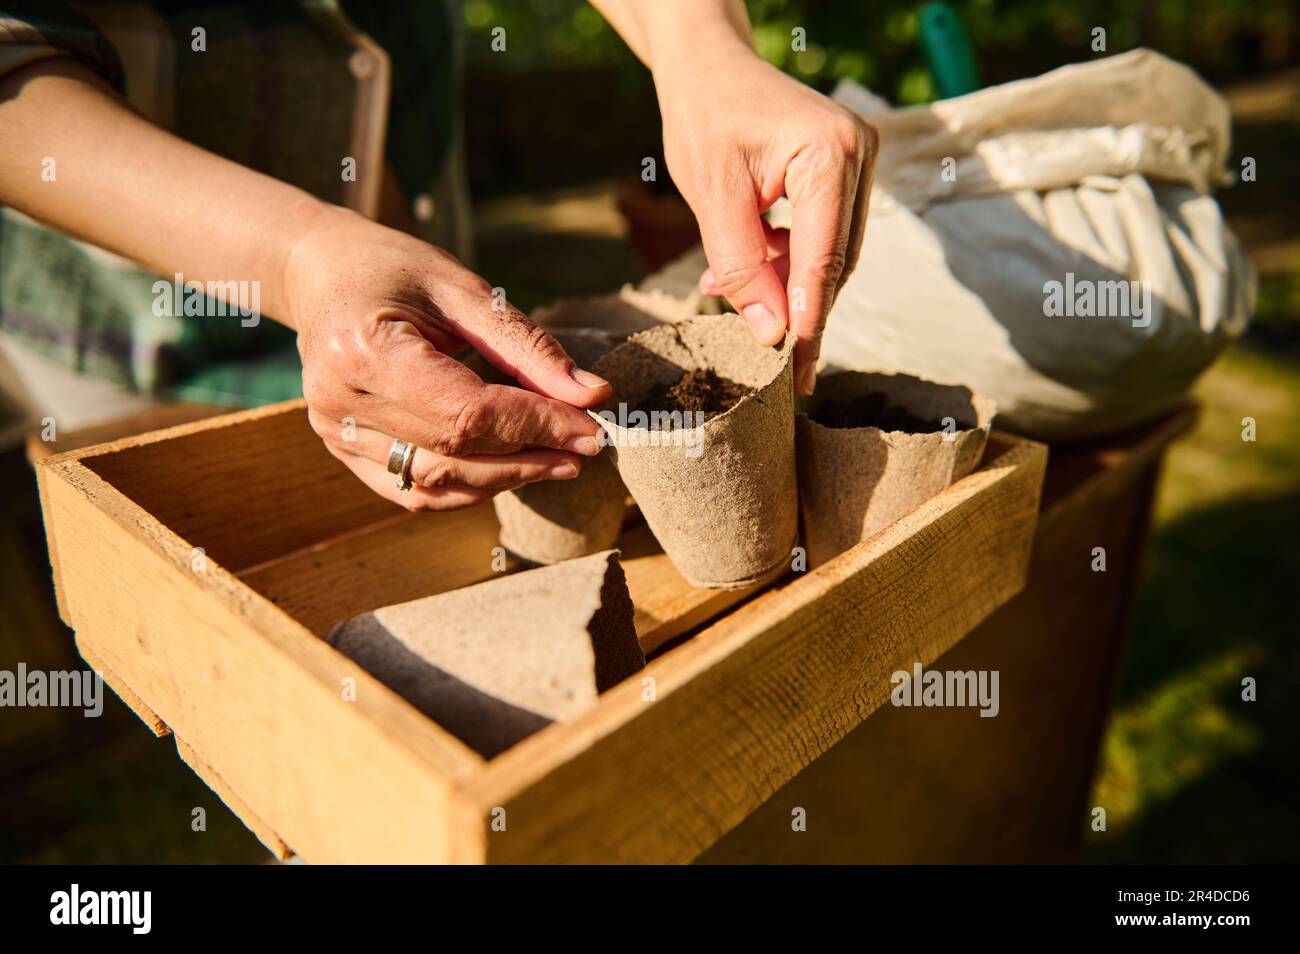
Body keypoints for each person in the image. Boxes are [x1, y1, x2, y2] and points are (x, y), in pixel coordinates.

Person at [0, 0, 876, 509]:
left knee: (474, 467)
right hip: (144, 315)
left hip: (413, 260)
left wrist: (701, 51)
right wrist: (297, 255)